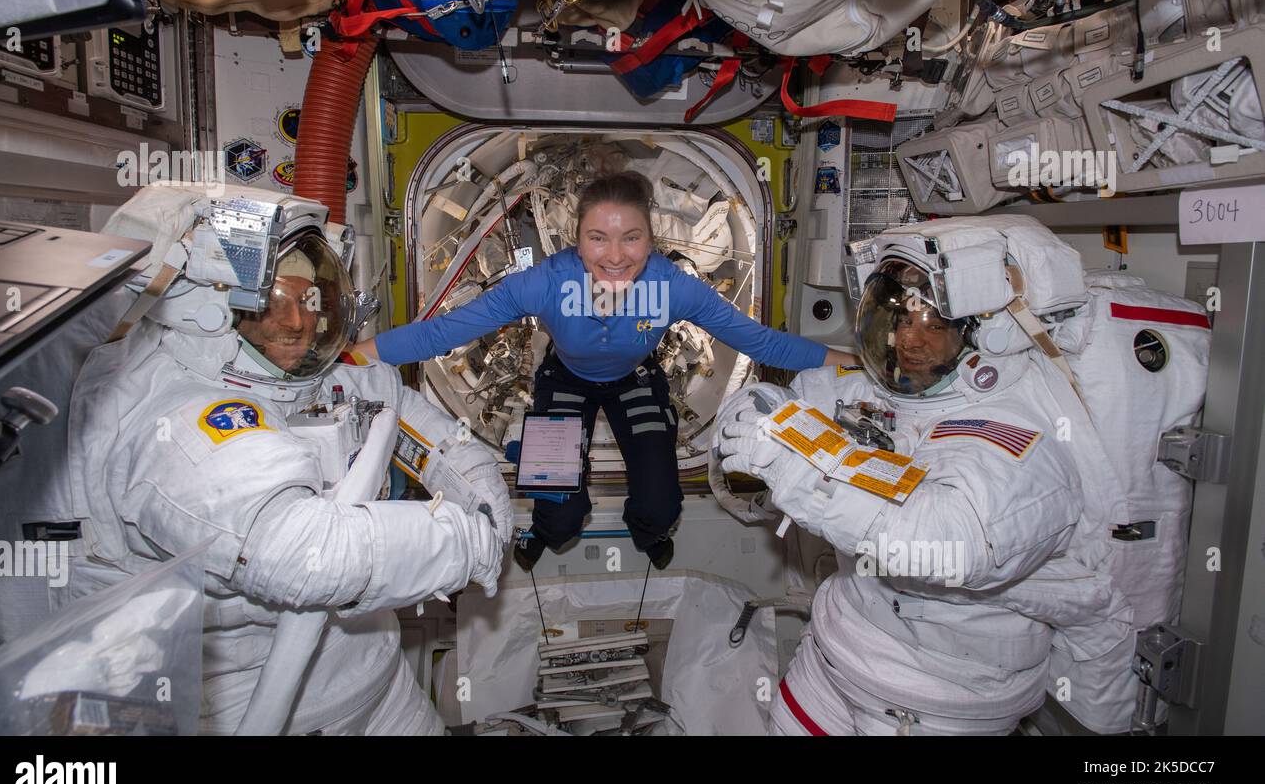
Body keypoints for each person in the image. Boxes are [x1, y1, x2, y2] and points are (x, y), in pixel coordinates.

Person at [62, 182, 511, 734]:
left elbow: (447, 446)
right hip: (265, 708)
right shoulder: (175, 418)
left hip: (378, 682)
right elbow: (306, 555)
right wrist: (469, 544)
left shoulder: (331, 378)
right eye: (272, 303)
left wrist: (484, 500)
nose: (297, 322)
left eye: (308, 298)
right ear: (206, 307)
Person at [714, 215, 1134, 735]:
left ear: (989, 340)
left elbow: (944, 541)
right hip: (836, 653)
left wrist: (795, 466)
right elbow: (787, 400)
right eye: (900, 319)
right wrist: (765, 412)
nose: (909, 339)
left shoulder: (1019, 436)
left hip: (933, 697)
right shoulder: (886, 391)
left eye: (934, 326)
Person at [355, 172, 854, 571]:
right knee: (561, 512)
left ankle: (648, 532)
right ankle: (548, 531)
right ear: (576, 239)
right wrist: (357, 355)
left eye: (631, 238)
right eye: (598, 238)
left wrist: (844, 363)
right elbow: (439, 333)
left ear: (650, 239)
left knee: (663, 506)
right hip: (565, 379)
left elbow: (757, 340)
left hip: (635, 378)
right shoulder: (543, 283)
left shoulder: (672, 286)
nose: (615, 256)